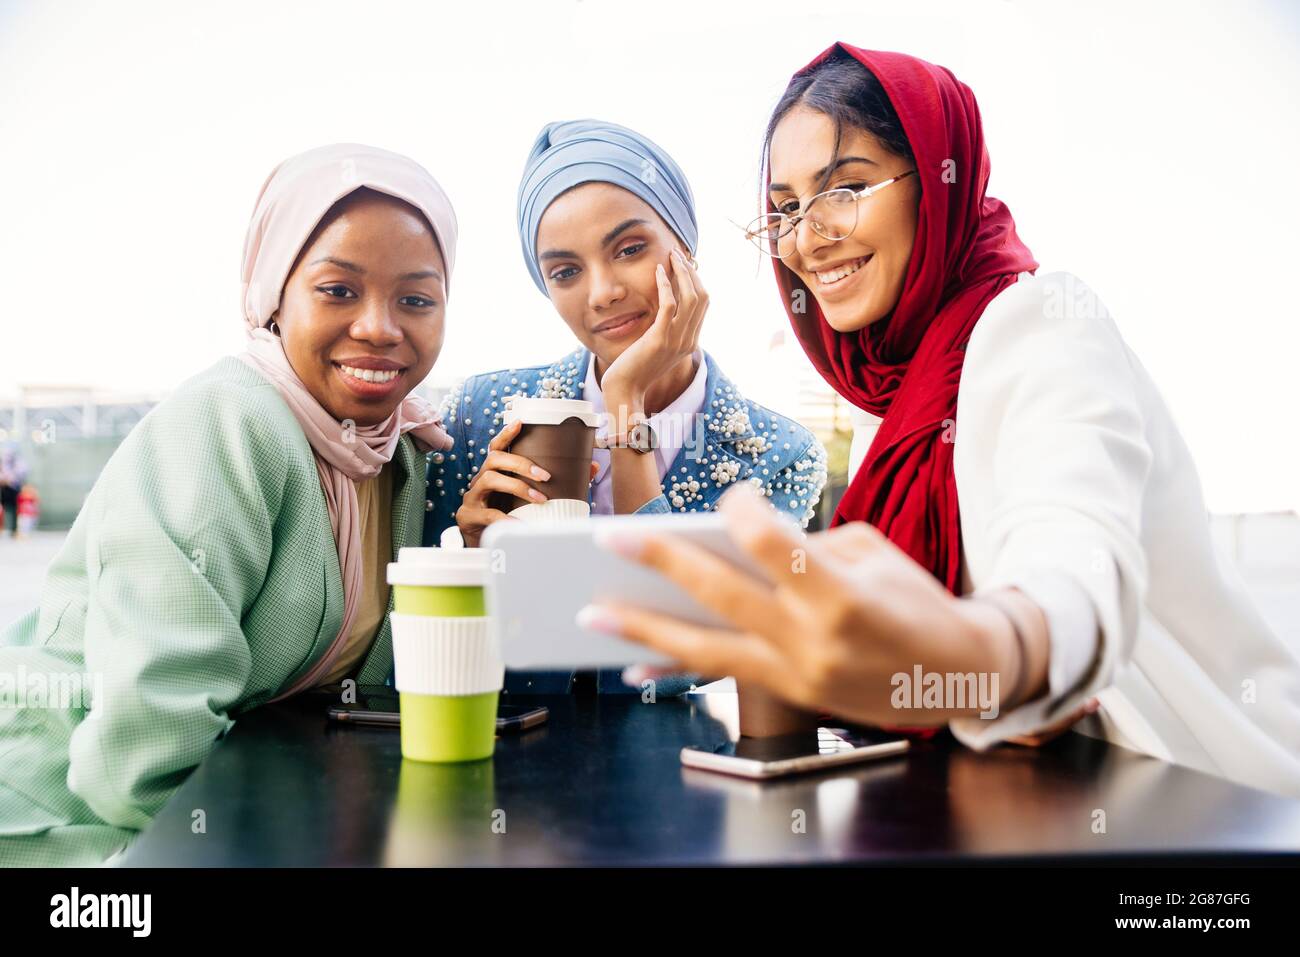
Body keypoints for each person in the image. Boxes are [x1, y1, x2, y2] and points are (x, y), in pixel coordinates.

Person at [578, 43, 1300, 798]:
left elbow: (1077, 562)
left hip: (1211, 807)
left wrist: (992, 654)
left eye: (846, 188)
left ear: (938, 178)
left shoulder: (1041, 324)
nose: (807, 236)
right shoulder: (888, 398)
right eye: (786, 207)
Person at [0, 143, 459, 864]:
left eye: (416, 298)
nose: (379, 326)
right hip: (78, 817)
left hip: (248, 806)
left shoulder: (399, 451)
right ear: (274, 296)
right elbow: (139, 759)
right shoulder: (226, 425)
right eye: (338, 290)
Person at [424, 119, 827, 696]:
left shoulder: (781, 455)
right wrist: (465, 562)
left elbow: (675, 667)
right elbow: (414, 654)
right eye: (565, 271)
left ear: (685, 248)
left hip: (674, 772)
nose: (602, 291)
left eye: (630, 249)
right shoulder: (484, 413)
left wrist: (625, 403)